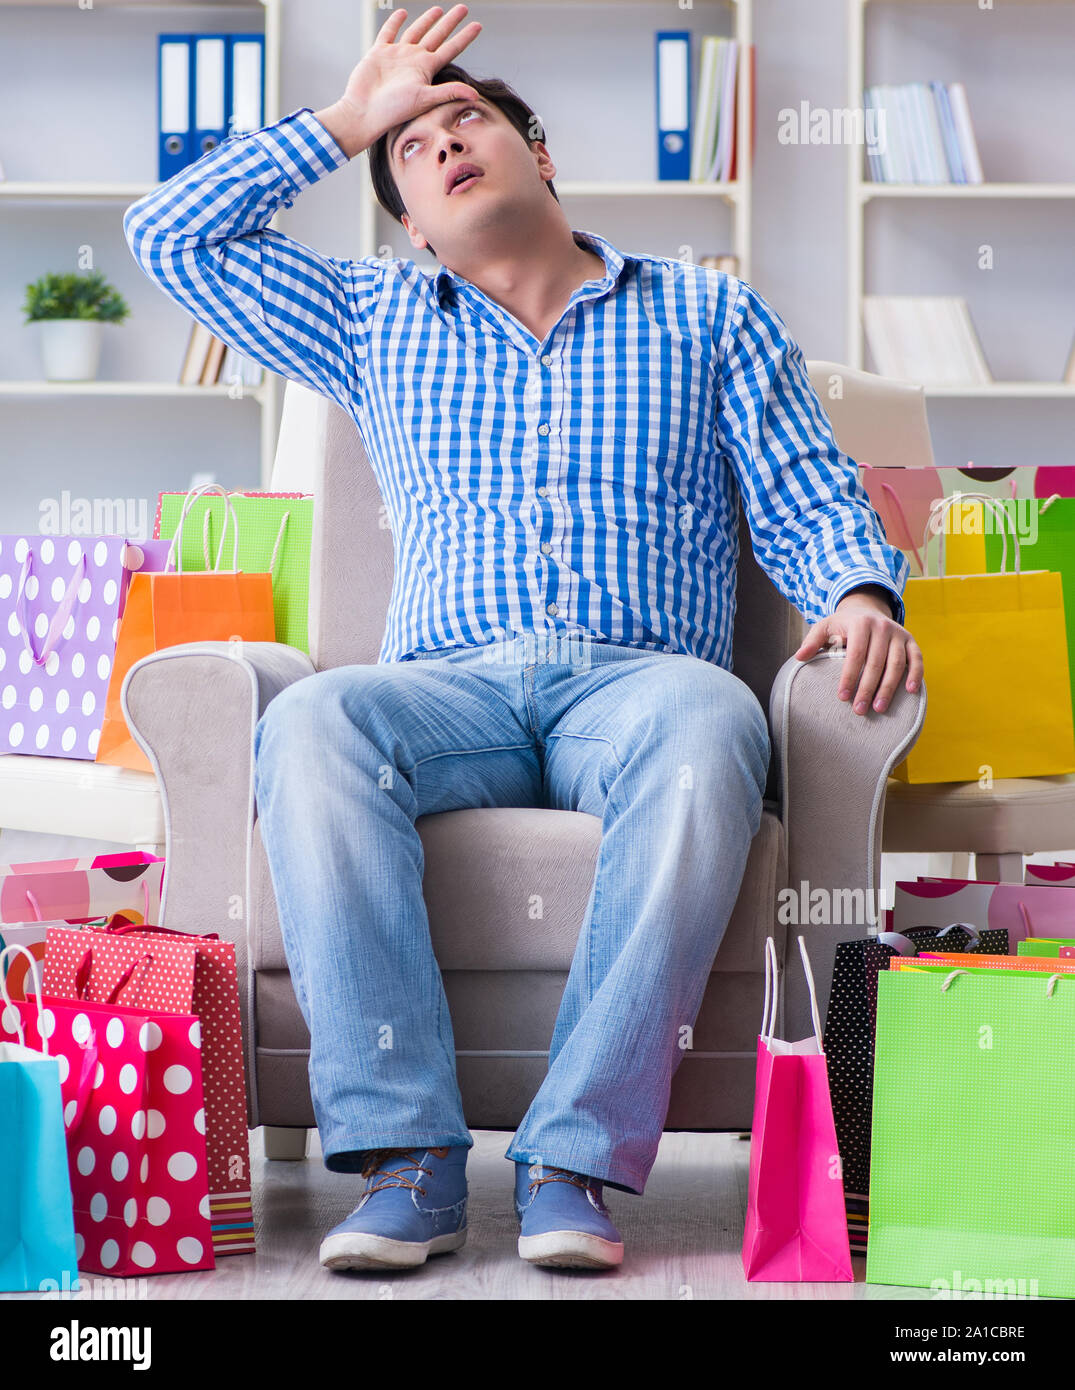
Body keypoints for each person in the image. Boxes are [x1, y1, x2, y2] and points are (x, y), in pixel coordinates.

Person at [123, 3, 924, 1275]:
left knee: (714, 717)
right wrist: (347, 118)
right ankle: (407, 1161)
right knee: (317, 715)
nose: (441, 140)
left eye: (468, 117)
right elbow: (168, 236)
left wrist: (860, 593)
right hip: (442, 695)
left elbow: (807, 494)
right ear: (408, 220)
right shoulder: (371, 320)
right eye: (413, 144)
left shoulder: (708, 317)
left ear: (537, 156)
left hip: (642, 687)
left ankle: (574, 1160)